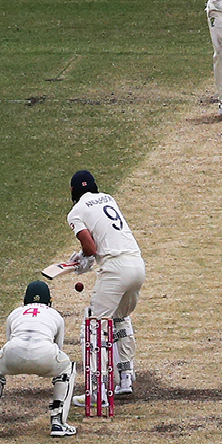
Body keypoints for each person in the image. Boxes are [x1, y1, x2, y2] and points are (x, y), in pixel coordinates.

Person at [67, 170, 145, 397]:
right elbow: (104, 237)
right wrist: (87, 257)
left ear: (73, 191)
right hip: (137, 265)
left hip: (115, 270)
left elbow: (91, 248)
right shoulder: (109, 198)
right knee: (120, 318)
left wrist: (84, 258)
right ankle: (126, 377)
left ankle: (96, 390)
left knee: (93, 328)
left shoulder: (75, 212)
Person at [0, 281, 76, 439]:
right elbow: (59, 348)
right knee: (66, 368)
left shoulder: (15, 313)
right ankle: (58, 421)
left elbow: (10, 340)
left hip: (14, 352)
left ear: (25, 299)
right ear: (49, 301)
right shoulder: (55, 315)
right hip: (45, 355)